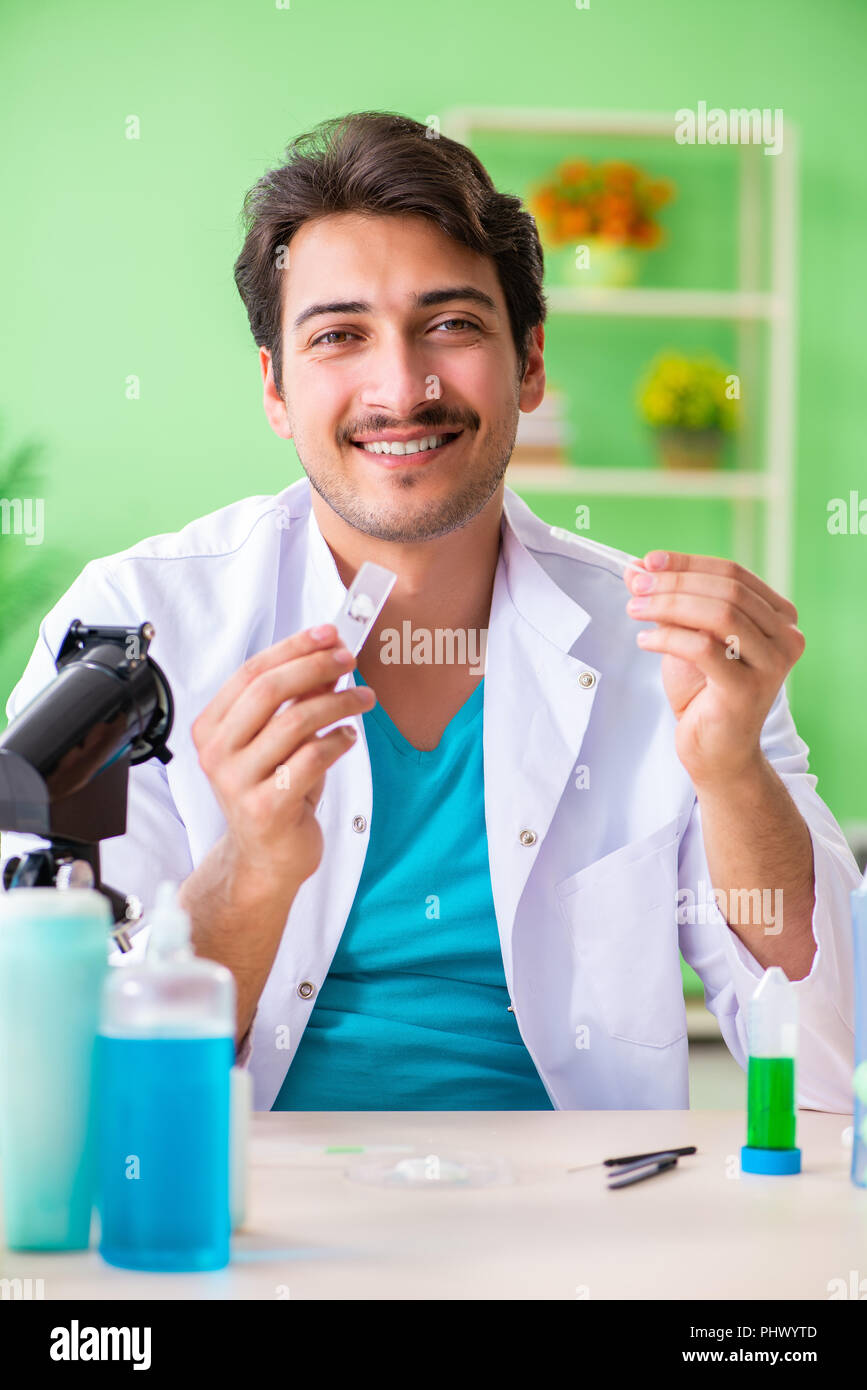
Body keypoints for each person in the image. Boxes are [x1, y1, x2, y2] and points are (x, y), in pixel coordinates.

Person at [2, 112, 859, 1112]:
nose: (401, 387)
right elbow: (59, 1075)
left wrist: (733, 777)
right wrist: (253, 866)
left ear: (531, 363)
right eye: (339, 336)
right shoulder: (131, 623)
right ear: (275, 388)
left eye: (451, 325)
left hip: (585, 1224)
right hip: (238, 1215)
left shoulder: (665, 650)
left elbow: (831, 1059)